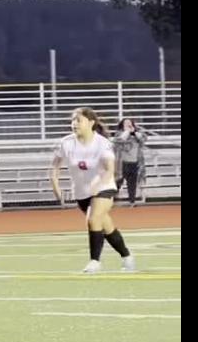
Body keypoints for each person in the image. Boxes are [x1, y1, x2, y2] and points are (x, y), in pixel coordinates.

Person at [49, 107, 136, 273]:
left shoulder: (103, 144)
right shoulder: (65, 143)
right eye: (73, 120)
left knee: (93, 219)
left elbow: (110, 169)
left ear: (91, 122)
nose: (74, 124)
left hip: (104, 188)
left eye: (78, 120)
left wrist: (98, 184)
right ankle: (127, 256)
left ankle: (95, 261)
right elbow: (54, 167)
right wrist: (56, 189)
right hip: (82, 192)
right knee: (106, 226)